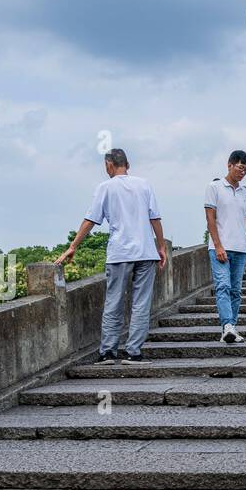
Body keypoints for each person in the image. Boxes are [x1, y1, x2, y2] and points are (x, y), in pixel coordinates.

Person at [55, 148, 166, 365]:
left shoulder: (105, 187)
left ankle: (108, 352)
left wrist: (73, 246)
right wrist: (160, 247)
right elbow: (155, 218)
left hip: (119, 253)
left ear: (109, 165)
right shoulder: (144, 184)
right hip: (146, 252)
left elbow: (91, 220)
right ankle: (134, 352)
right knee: (141, 304)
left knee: (114, 302)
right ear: (128, 164)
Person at [205, 149, 246, 344]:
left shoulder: (245, 192)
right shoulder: (214, 187)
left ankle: (232, 327)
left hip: (239, 248)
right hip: (219, 247)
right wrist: (218, 245)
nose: (242, 172)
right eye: (240, 168)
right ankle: (227, 326)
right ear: (229, 165)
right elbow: (210, 219)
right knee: (223, 286)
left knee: (236, 290)